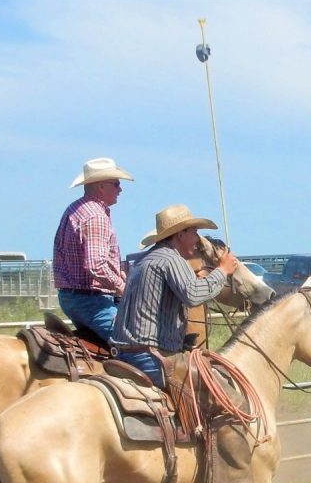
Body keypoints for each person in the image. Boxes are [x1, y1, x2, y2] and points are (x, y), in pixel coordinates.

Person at [111, 204, 239, 388]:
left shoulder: (144, 261)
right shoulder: (171, 259)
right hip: (152, 357)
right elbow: (193, 295)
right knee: (223, 391)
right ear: (180, 235)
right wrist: (222, 271)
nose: (197, 240)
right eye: (194, 233)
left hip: (125, 354)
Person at [53, 157, 133, 343]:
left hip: (73, 298)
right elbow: (96, 265)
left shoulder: (75, 208)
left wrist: (116, 273)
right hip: (92, 301)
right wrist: (122, 287)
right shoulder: (96, 216)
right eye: (116, 184)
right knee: (136, 345)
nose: (120, 189)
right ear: (101, 186)